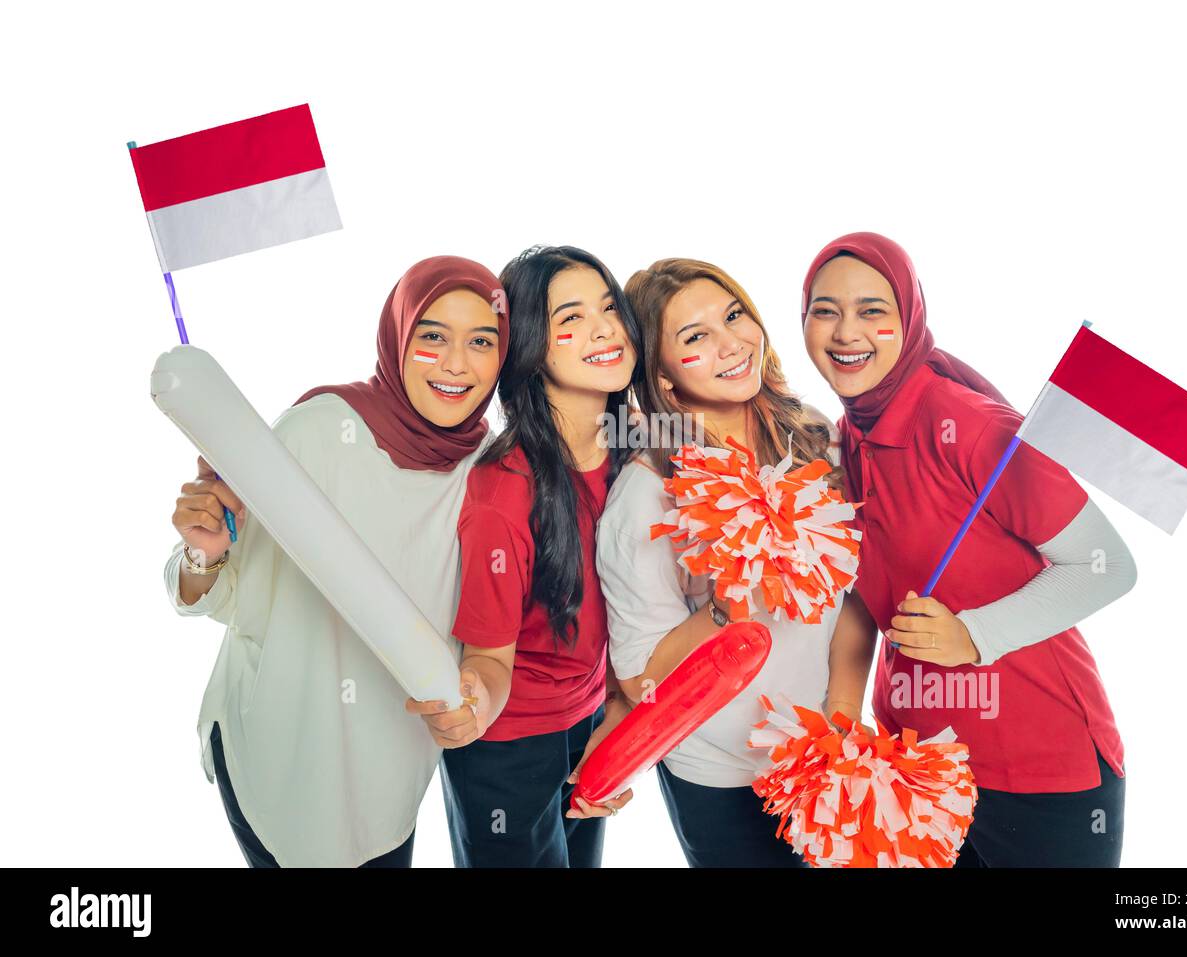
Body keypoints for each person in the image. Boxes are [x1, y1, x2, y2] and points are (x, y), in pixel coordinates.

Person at [801, 232, 1136, 866]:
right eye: (825, 310)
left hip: (1042, 770)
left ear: (909, 318)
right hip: (920, 768)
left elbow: (1109, 566)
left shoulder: (971, 426)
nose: (847, 332)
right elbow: (862, 589)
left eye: (873, 310)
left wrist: (974, 633)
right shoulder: (849, 434)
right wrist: (840, 710)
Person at [164, 256, 508, 867]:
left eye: (481, 341)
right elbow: (216, 590)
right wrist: (204, 550)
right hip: (281, 749)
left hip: (390, 763)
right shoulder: (319, 430)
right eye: (432, 336)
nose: (458, 364)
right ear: (398, 337)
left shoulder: (489, 466)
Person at [596, 258, 876, 867]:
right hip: (718, 774)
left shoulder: (814, 437)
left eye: (733, 316)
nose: (731, 344)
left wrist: (843, 716)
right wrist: (724, 611)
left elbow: (856, 597)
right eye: (695, 337)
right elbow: (638, 677)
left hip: (821, 748)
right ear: (663, 378)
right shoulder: (646, 494)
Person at [419, 246, 639, 867]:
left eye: (609, 307)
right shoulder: (504, 489)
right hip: (506, 747)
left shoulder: (634, 452)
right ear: (532, 346)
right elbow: (489, 659)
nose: (604, 329)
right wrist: (468, 702)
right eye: (570, 318)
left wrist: (617, 720)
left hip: (590, 718)